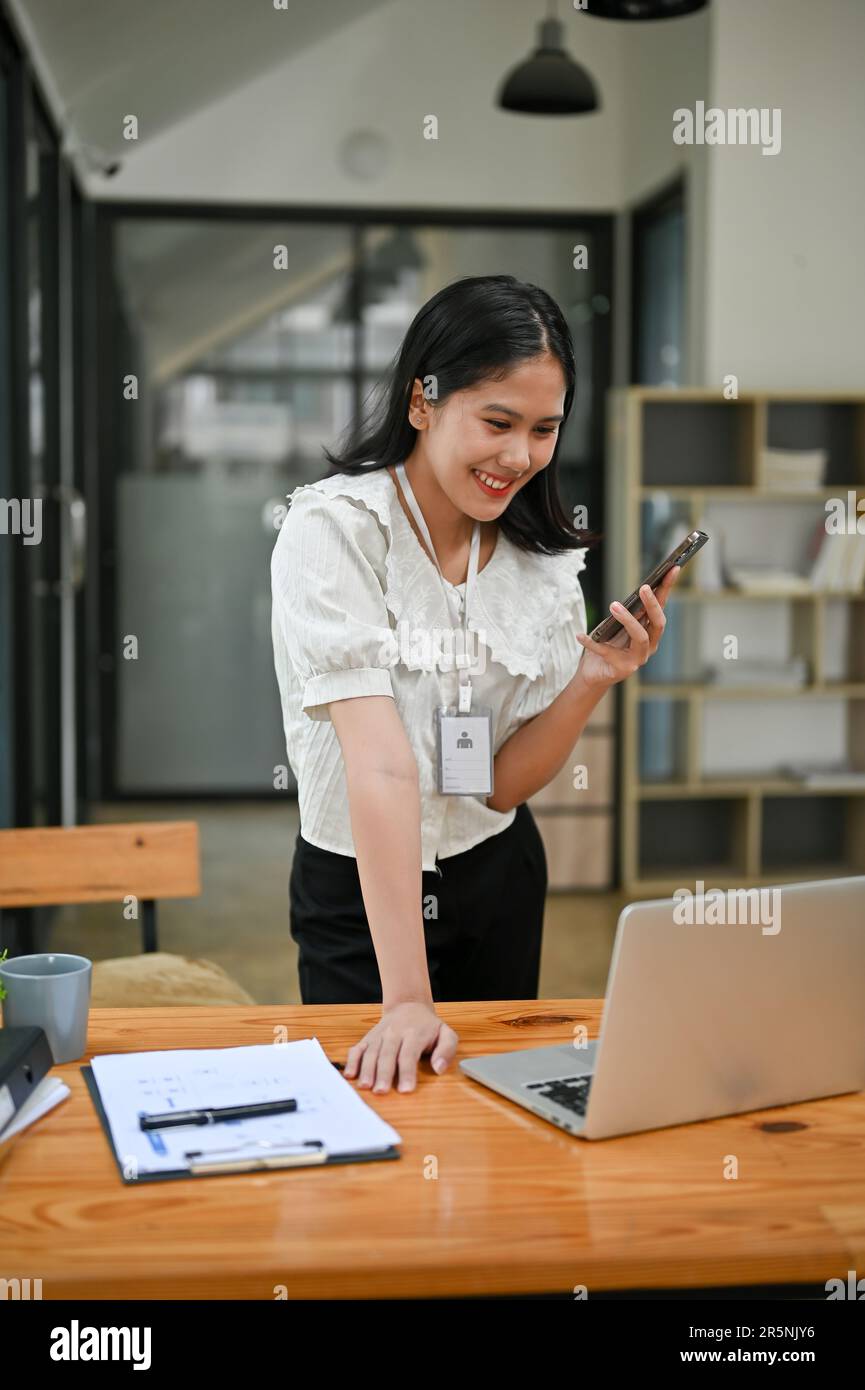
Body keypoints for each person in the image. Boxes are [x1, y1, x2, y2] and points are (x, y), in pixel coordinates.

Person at [270, 273, 678, 1096]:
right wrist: (408, 998)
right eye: (496, 422)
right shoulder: (336, 531)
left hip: (497, 878)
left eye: (543, 429)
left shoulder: (541, 566)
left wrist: (592, 679)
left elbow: (497, 789)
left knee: (495, 1128)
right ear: (422, 401)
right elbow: (380, 765)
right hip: (360, 893)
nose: (519, 457)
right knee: (383, 1127)